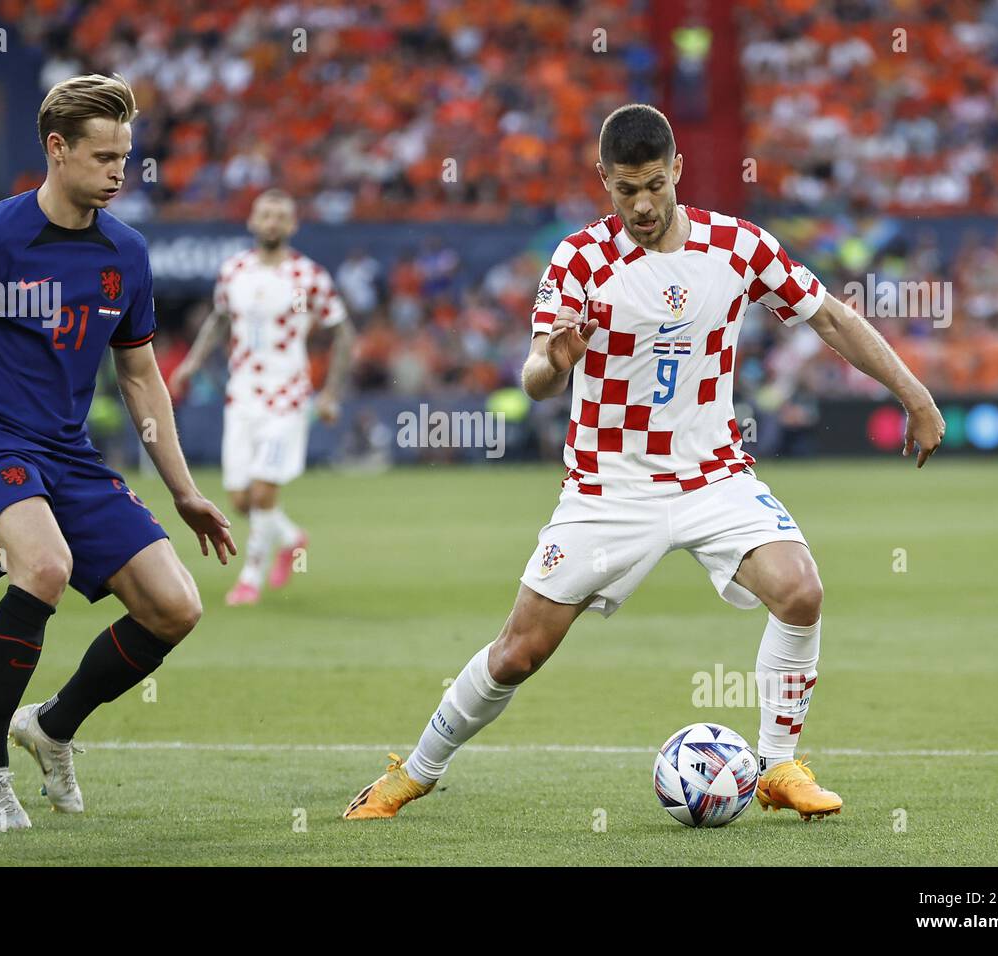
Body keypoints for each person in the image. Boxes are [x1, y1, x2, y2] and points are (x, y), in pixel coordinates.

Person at [344, 103, 945, 823]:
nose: (642, 204)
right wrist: (551, 363)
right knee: (517, 654)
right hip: (609, 489)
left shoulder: (738, 246)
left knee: (800, 589)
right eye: (625, 189)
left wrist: (914, 394)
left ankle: (780, 764)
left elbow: (831, 318)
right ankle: (414, 772)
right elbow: (536, 375)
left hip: (712, 476)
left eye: (654, 185)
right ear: (603, 179)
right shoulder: (579, 260)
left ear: (677, 171)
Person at [0, 73, 236, 831]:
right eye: (103, 156)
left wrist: (185, 490)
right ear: (56, 150)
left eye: (125, 155)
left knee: (175, 608)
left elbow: (140, 375)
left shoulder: (126, 253)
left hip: (68, 450)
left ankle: (51, 726)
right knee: (47, 566)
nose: (120, 171)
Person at [170, 189, 354, 606]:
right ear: (253, 221)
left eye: (280, 216)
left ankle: (249, 578)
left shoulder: (308, 277)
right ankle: (292, 538)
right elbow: (219, 320)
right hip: (242, 396)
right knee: (239, 499)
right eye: (265, 215)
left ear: (292, 226)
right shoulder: (234, 270)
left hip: (287, 397)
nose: (272, 222)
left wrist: (330, 394)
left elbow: (343, 333)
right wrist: (192, 364)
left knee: (263, 492)